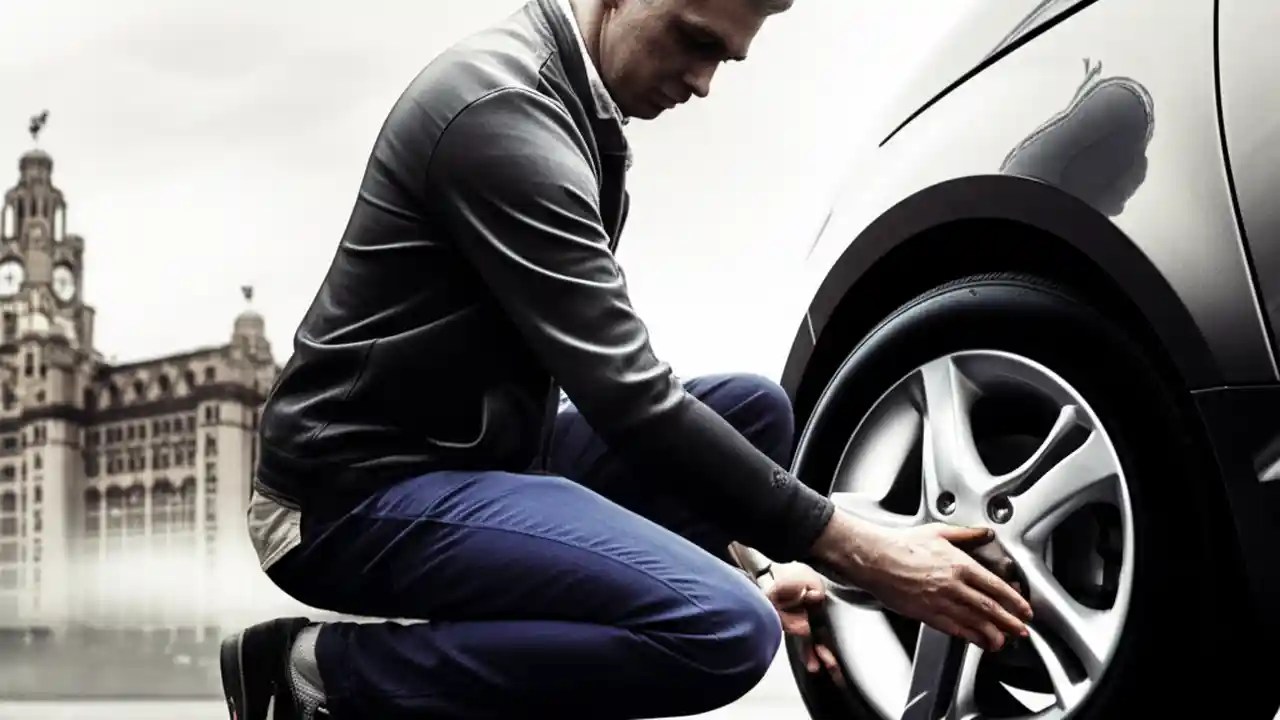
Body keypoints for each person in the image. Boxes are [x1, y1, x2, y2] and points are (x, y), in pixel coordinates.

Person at [219, 0, 1034, 718]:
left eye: (724, 58)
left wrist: (751, 562)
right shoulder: (501, 117)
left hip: (482, 451)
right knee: (721, 633)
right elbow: (631, 400)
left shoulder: (579, 115)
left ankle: (695, 587)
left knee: (752, 410)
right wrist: (860, 550)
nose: (703, 80)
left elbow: (624, 389)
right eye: (693, 42)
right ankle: (317, 678)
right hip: (348, 496)